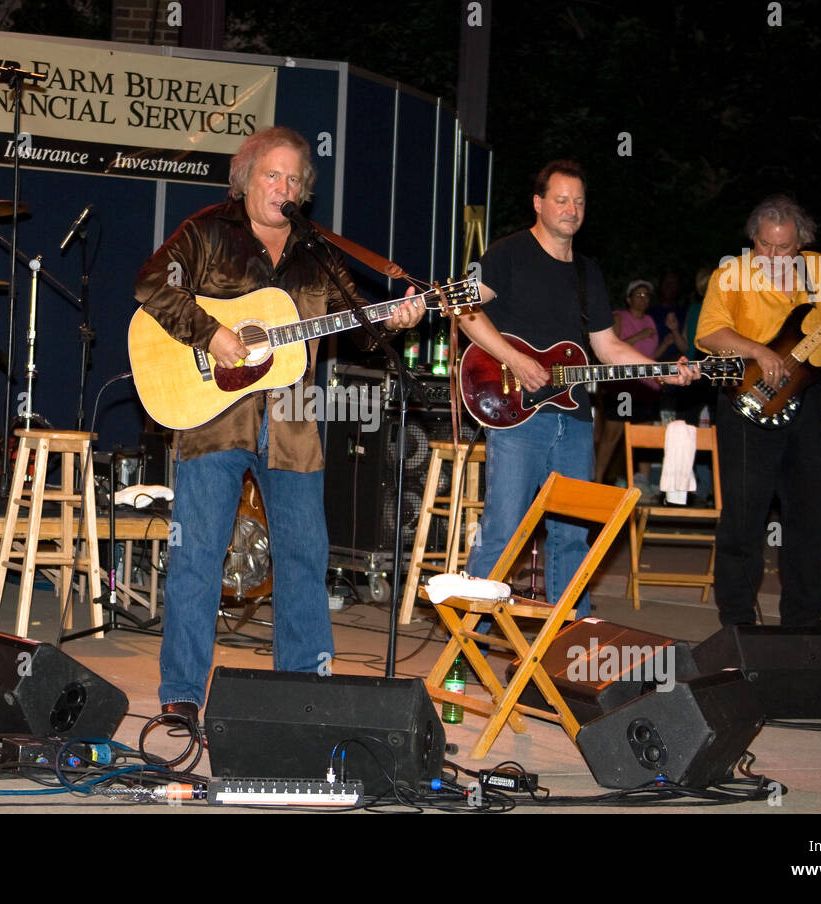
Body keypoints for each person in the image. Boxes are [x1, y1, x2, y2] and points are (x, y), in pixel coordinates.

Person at [133, 126, 420, 722]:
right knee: (198, 558)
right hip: (212, 417)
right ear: (246, 177)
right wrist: (212, 333)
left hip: (292, 423)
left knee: (305, 559)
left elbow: (356, 326)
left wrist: (393, 321)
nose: (283, 187)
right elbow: (152, 284)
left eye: (294, 180)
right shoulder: (208, 230)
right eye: (273, 174)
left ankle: (303, 693)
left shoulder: (316, 251)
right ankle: (183, 696)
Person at [458, 160, 694, 617]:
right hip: (517, 416)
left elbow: (607, 347)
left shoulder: (589, 273)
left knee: (573, 535)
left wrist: (660, 369)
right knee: (504, 530)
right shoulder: (507, 254)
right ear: (539, 203)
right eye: (562, 200)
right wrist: (515, 359)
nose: (571, 209)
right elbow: (463, 310)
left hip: (576, 419)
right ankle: (468, 651)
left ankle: (571, 649)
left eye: (579, 202)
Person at [696, 194, 821, 627]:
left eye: (784, 247)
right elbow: (709, 334)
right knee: (744, 512)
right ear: (753, 239)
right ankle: (737, 619)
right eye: (765, 245)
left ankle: (804, 618)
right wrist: (759, 350)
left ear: (801, 244)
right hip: (745, 396)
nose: (773, 256)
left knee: (811, 511)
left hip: (807, 398)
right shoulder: (731, 274)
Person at [593, 279, 668, 488]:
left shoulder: (651, 321)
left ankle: (641, 482)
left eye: (647, 296)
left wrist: (666, 345)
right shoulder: (619, 317)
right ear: (628, 299)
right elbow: (611, 349)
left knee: (645, 436)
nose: (643, 299)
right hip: (624, 386)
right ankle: (597, 480)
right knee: (614, 433)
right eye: (639, 295)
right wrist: (640, 335)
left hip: (648, 386)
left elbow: (650, 355)